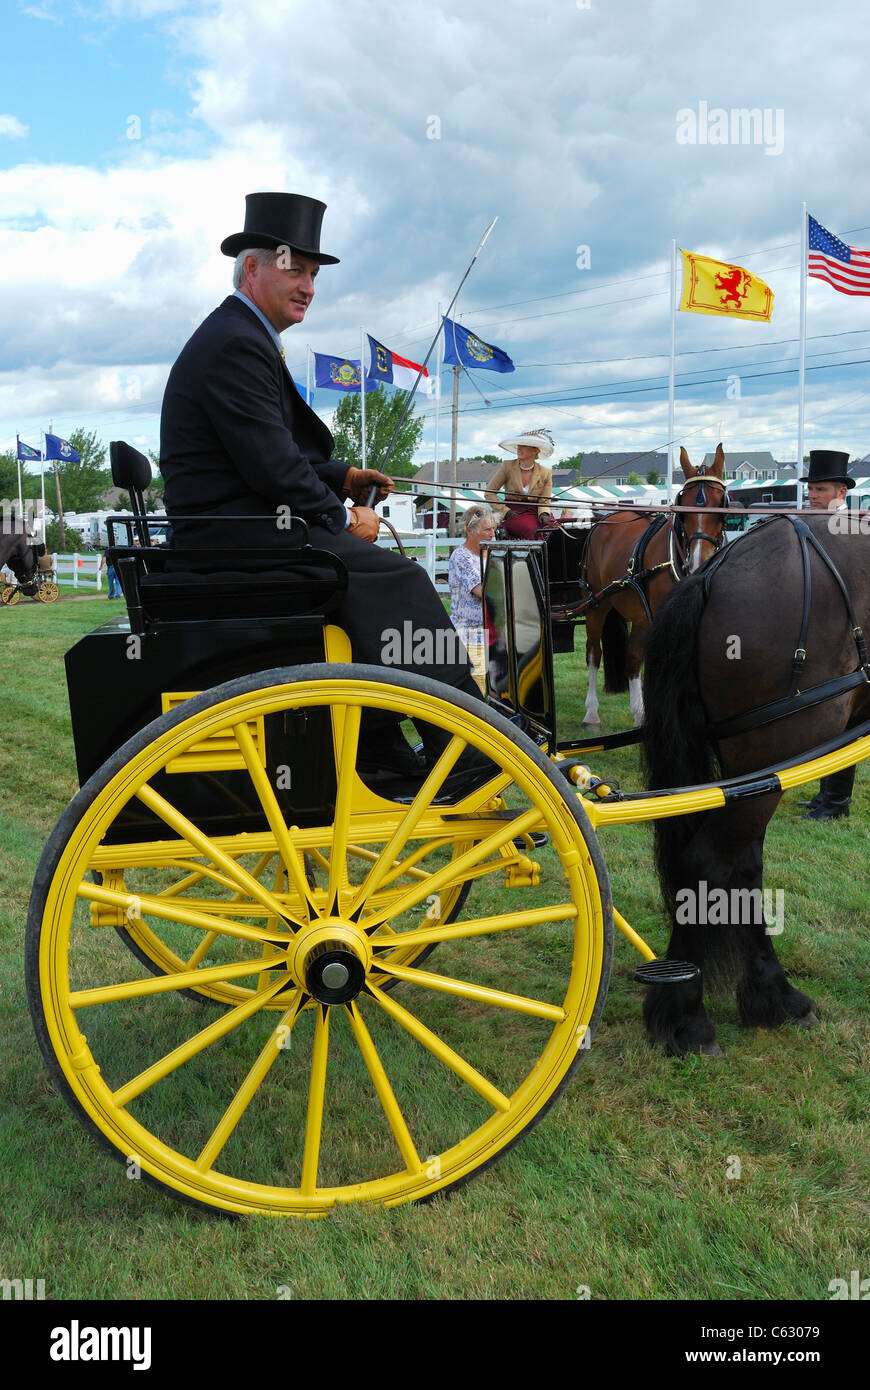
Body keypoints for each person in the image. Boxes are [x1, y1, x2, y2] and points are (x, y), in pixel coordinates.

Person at [159, 192, 481, 776]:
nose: (307, 284)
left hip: (235, 529)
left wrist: (346, 477)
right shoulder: (236, 343)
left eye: (312, 273)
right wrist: (342, 518)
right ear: (252, 268)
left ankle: (376, 745)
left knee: (370, 581)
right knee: (400, 578)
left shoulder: (242, 335)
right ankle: (465, 747)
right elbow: (273, 469)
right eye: (293, 268)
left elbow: (270, 452)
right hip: (231, 540)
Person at [798, 449, 857, 821]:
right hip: (824, 636)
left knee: (845, 718)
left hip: (847, 640)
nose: (813, 495)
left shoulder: (851, 528)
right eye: (812, 489)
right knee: (829, 719)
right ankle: (826, 795)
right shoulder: (813, 525)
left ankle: (836, 802)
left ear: (840, 493)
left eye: (820, 489)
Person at [448, 504, 495, 689]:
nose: (492, 534)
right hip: (470, 636)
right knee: (479, 690)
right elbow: (484, 592)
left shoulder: (492, 553)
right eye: (487, 530)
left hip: (493, 634)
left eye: (493, 529)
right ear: (470, 530)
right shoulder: (461, 557)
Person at [485, 428, 555, 539]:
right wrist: (506, 512)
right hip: (514, 513)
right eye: (518, 445)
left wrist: (544, 514)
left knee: (554, 530)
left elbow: (544, 501)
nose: (519, 448)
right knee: (533, 531)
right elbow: (489, 494)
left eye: (524, 445)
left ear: (535, 451)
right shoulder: (507, 467)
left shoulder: (545, 473)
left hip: (535, 512)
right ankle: (539, 556)